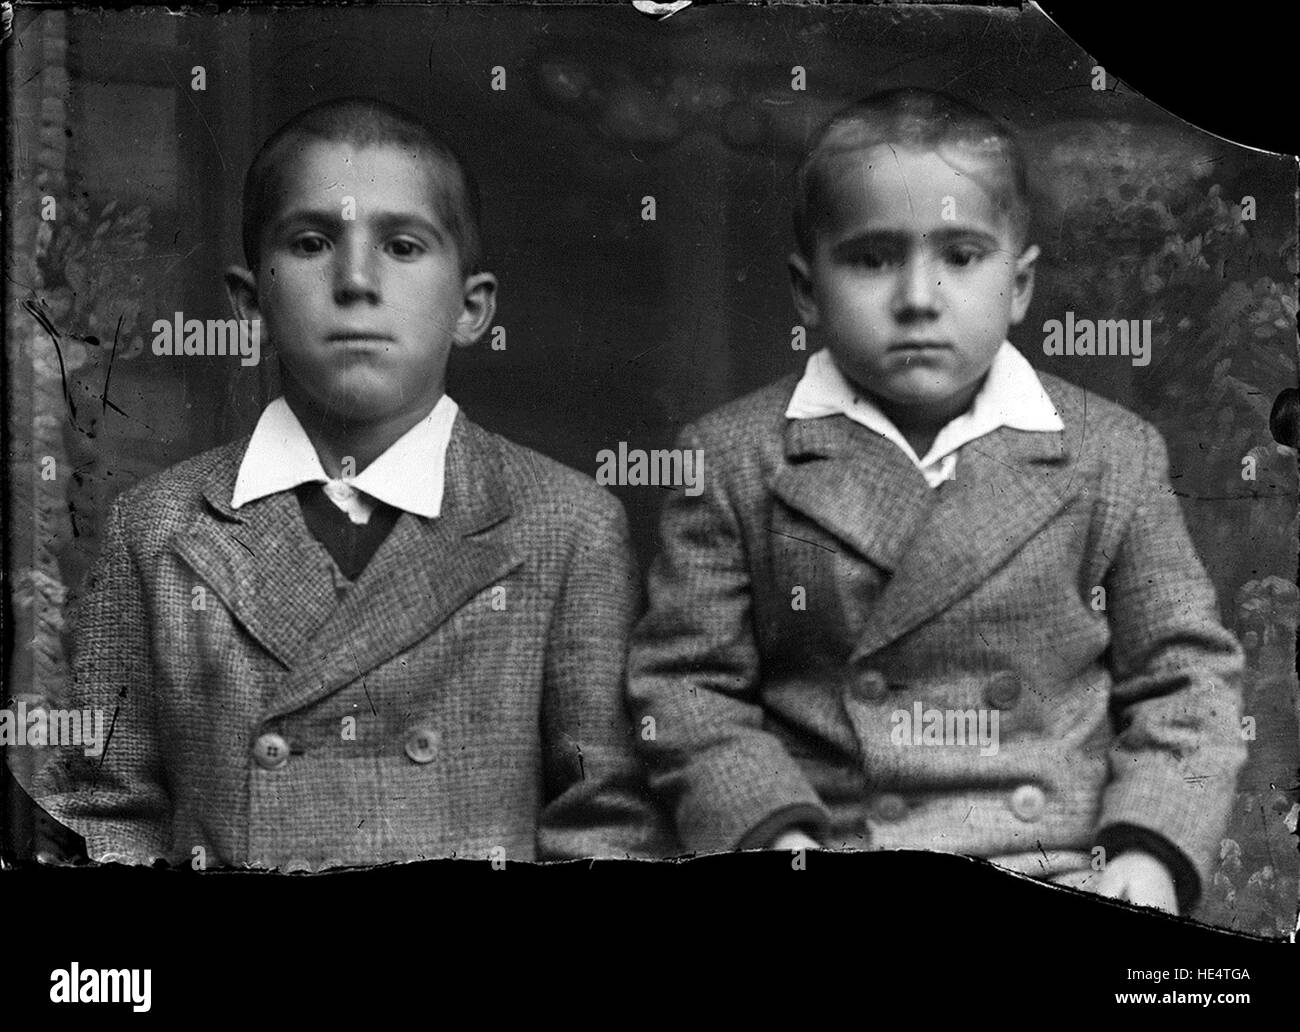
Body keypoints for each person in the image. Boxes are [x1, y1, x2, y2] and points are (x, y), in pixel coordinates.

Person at [627, 88, 1245, 914]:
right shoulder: (733, 457)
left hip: (1061, 867)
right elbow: (686, 688)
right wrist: (768, 836)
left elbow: (1187, 683)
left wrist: (1151, 850)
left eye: (960, 256)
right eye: (874, 258)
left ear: (1019, 285)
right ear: (806, 290)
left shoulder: (1111, 454)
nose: (918, 296)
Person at [34, 97, 671, 868]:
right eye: (311, 242)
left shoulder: (566, 526)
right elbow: (104, 816)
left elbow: (607, 825)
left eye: (402, 246)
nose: (357, 280)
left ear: (471, 307)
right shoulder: (158, 527)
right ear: (249, 303)